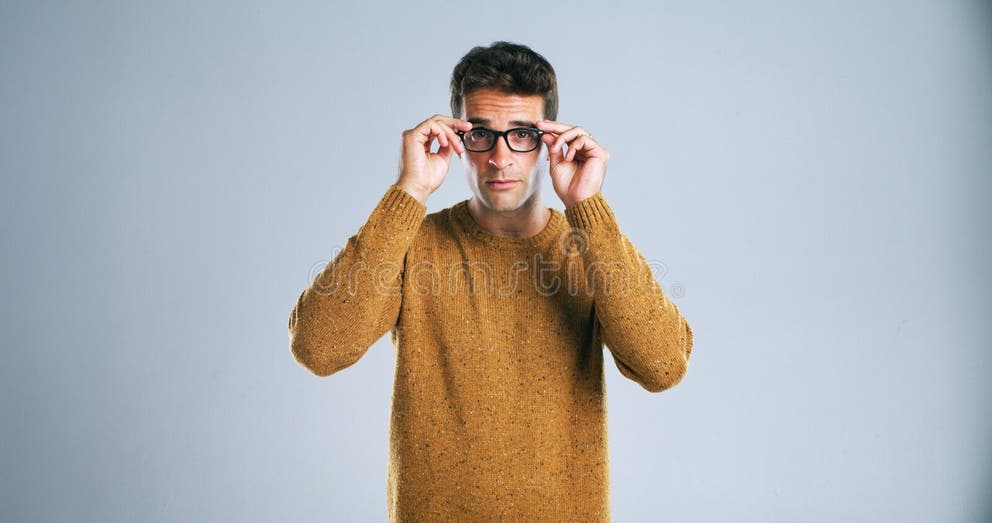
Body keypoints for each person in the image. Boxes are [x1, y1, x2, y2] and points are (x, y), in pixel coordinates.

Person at [288, 41, 693, 522]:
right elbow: (319, 347)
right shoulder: (413, 244)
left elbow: (664, 365)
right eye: (480, 134)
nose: (500, 158)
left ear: (549, 142)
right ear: (456, 138)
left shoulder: (591, 248)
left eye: (522, 134)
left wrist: (588, 209)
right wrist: (409, 190)